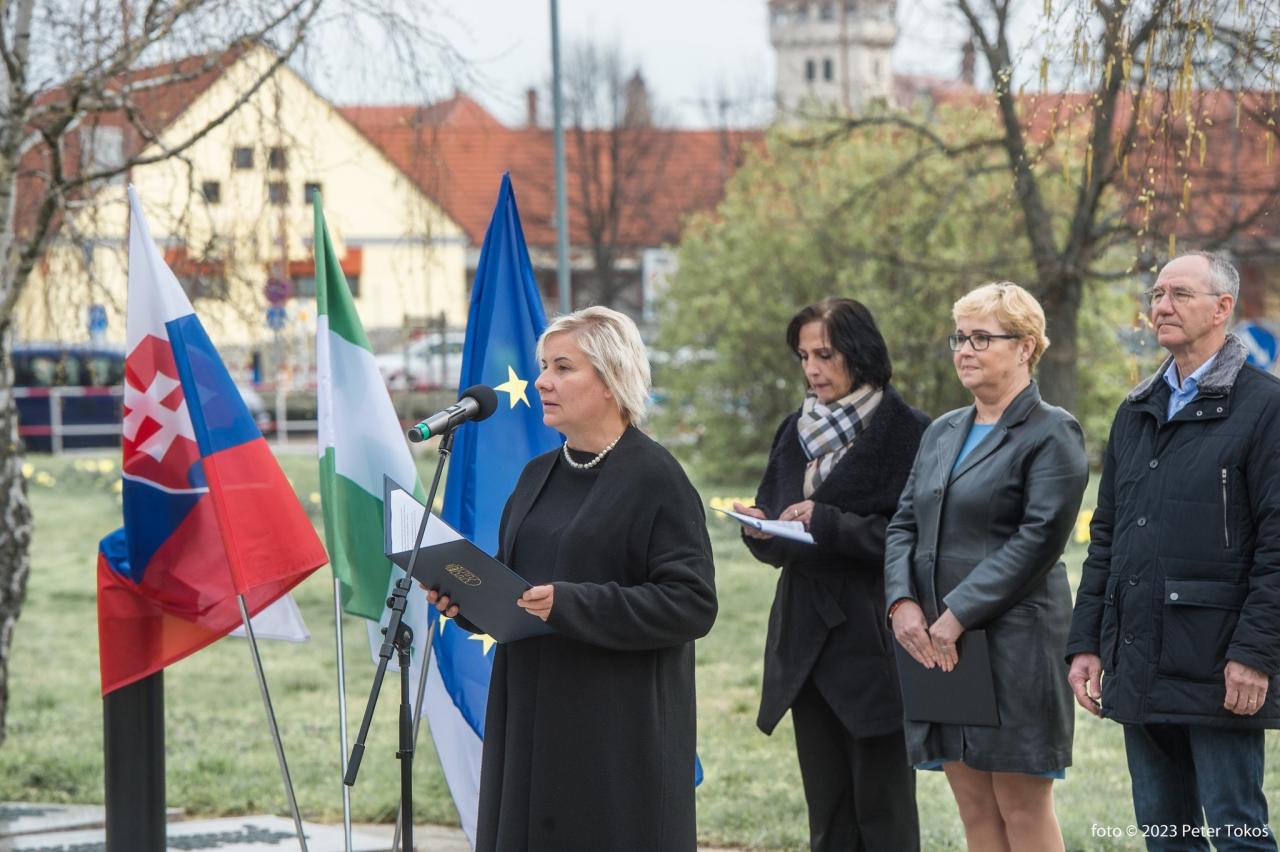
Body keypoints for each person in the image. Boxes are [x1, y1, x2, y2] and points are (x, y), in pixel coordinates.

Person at [427, 306, 717, 852]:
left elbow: (691, 603)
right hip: (531, 713)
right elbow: (517, 587)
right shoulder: (538, 474)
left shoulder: (656, 477)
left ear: (611, 380)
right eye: (543, 367)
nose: (542, 381)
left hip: (613, 728)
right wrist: (468, 602)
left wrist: (573, 603)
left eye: (563, 367)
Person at [1066, 252, 1280, 851]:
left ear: (1221, 308)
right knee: (1166, 837)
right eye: (1157, 294)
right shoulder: (1136, 410)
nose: (1161, 306)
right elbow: (1106, 537)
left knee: (1239, 834)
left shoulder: (1266, 407)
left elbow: (1277, 546)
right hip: (1138, 657)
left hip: (1220, 663)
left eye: (1179, 294)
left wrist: (1255, 654)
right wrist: (1086, 643)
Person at [884, 282, 1088, 852]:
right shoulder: (942, 430)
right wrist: (901, 603)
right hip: (939, 644)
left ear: (1025, 347)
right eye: (960, 338)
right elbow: (903, 523)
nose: (965, 351)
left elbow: (1038, 539)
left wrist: (958, 614)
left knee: (1021, 808)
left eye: (981, 338)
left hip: (1014, 644)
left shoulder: (1053, 431)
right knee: (974, 807)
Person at [733, 297, 928, 851]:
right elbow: (782, 526)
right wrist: (762, 531)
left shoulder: (911, 432)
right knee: (828, 818)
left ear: (860, 354)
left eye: (825, 354)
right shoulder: (793, 429)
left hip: (874, 637)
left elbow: (915, 540)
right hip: (805, 639)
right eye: (803, 356)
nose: (812, 369)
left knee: (885, 816)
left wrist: (829, 523)